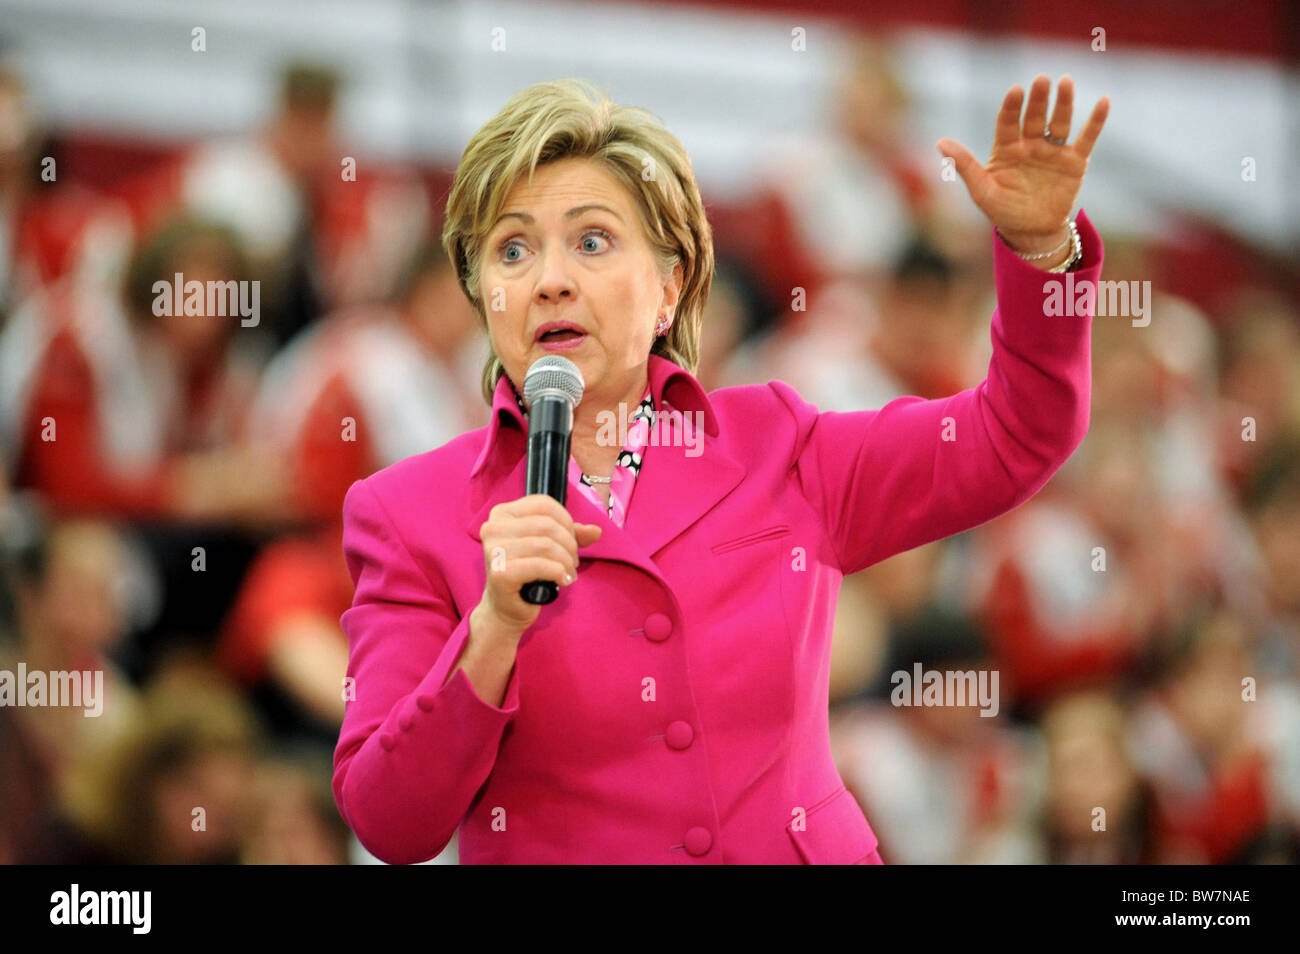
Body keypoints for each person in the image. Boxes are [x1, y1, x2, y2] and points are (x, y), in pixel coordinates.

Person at [332, 75, 1109, 864]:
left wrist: (1042, 253)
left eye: (593, 241)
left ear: (668, 288)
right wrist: (491, 630)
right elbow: (391, 822)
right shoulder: (406, 511)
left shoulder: (779, 443)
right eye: (512, 249)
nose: (551, 279)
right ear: (484, 296)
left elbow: (1017, 433)